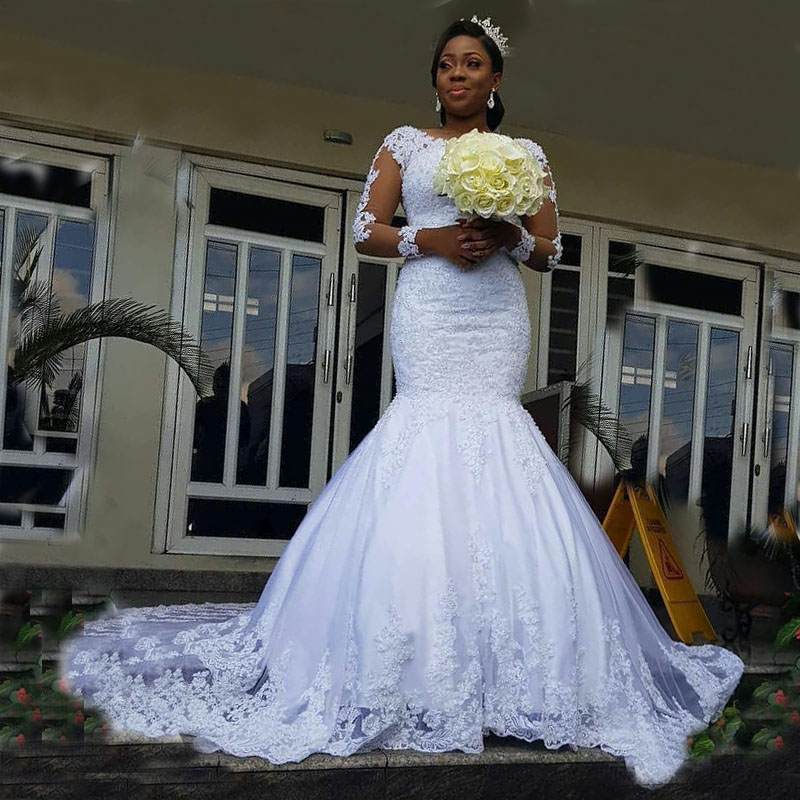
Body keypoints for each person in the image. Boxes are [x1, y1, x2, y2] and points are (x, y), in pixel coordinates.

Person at [58, 16, 745, 789]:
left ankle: (527, 672)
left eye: (473, 63)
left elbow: (550, 250)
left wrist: (505, 235)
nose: (457, 74)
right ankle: (400, 658)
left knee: (495, 435)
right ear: (437, 78)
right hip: (429, 308)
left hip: (492, 315)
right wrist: (435, 241)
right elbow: (365, 229)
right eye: (447, 63)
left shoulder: (527, 157)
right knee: (425, 433)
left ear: (494, 82)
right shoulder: (404, 144)